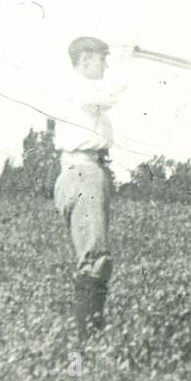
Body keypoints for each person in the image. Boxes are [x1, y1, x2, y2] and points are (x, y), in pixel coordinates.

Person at [52, 35, 134, 337]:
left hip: (87, 170)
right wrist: (128, 60)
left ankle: (88, 338)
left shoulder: (81, 89)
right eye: (102, 59)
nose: (106, 65)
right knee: (95, 257)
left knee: (93, 254)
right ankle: (88, 342)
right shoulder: (78, 88)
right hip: (84, 172)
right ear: (85, 60)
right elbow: (110, 95)